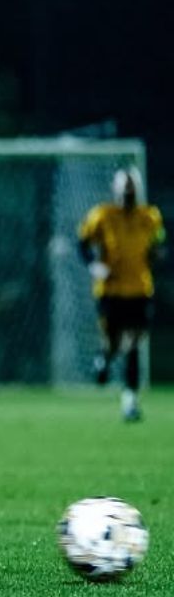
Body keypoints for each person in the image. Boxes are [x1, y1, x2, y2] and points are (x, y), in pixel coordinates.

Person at [77, 167, 165, 422]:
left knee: (134, 343)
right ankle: (102, 360)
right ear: (115, 190)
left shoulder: (150, 216)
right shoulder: (102, 216)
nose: (128, 194)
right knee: (114, 343)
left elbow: (158, 244)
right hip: (111, 289)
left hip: (139, 288)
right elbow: (81, 243)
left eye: (132, 189)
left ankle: (129, 400)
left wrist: (157, 254)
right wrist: (94, 264)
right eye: (125, 189)